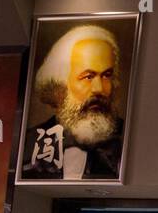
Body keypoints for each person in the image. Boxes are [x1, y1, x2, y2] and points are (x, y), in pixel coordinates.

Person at [21, 24, 126, 180]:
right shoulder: (29, 142)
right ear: (60, 83)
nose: (98, 89)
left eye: (106, 75)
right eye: (88, 77)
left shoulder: (129, 140)